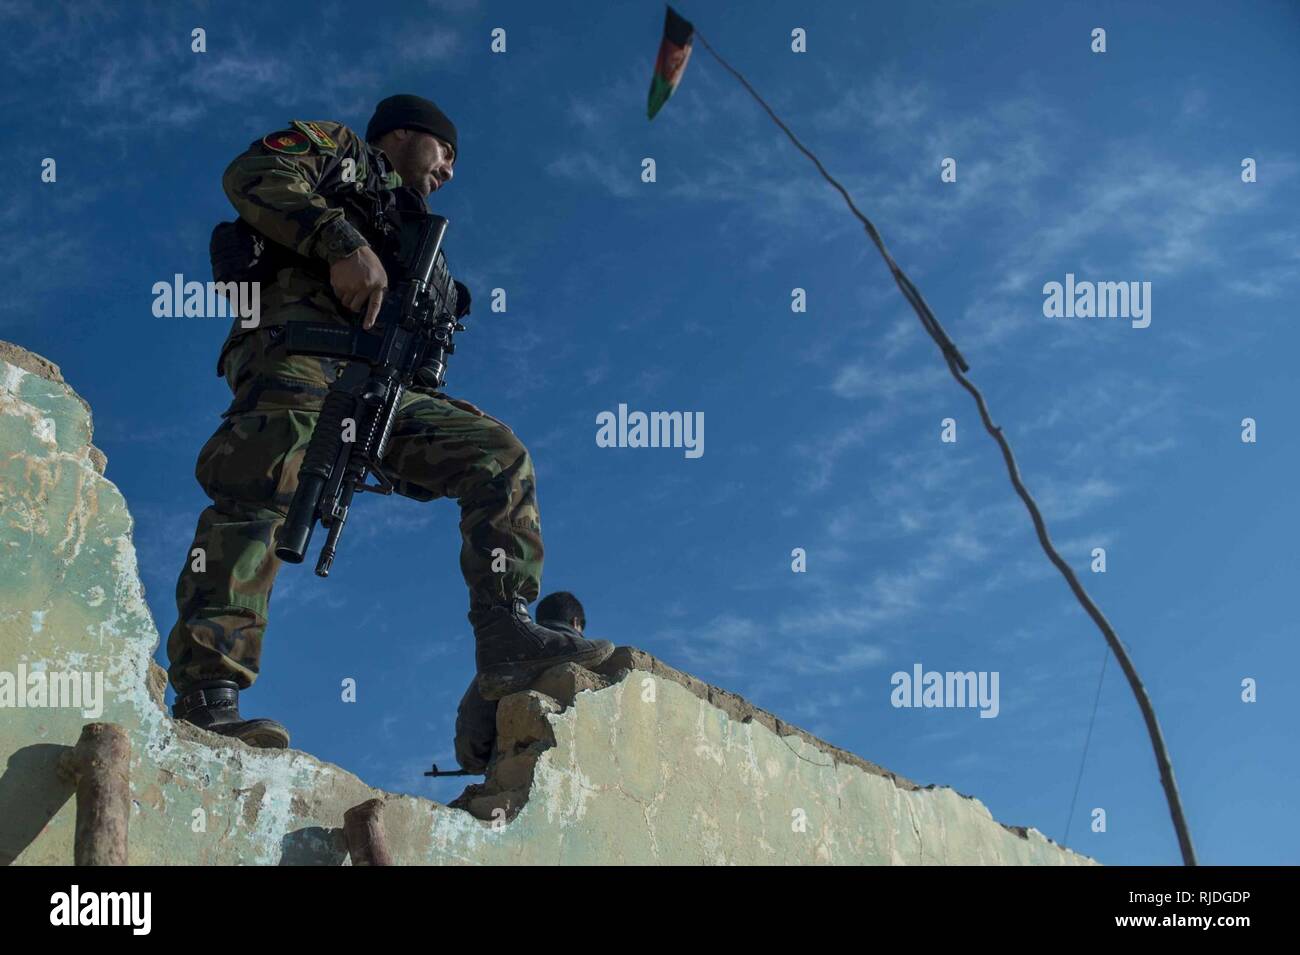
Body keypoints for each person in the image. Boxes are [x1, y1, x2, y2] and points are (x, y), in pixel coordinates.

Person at [166, 94, 613, 749]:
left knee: (497, 454)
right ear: (405, 134)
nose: (450, 171)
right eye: (445, 151)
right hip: (301, 357)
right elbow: (251, 174)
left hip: (379, 387)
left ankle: (505, 634)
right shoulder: (343, 154)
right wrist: (341, 242)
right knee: (267, 484)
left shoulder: (421, 236)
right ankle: (208, 693)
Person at [454, 591, 588, 773]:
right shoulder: (597, 659)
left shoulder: (510, 659)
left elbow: (471, 730)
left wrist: (479, 763)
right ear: (576, 623)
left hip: (519, 779)